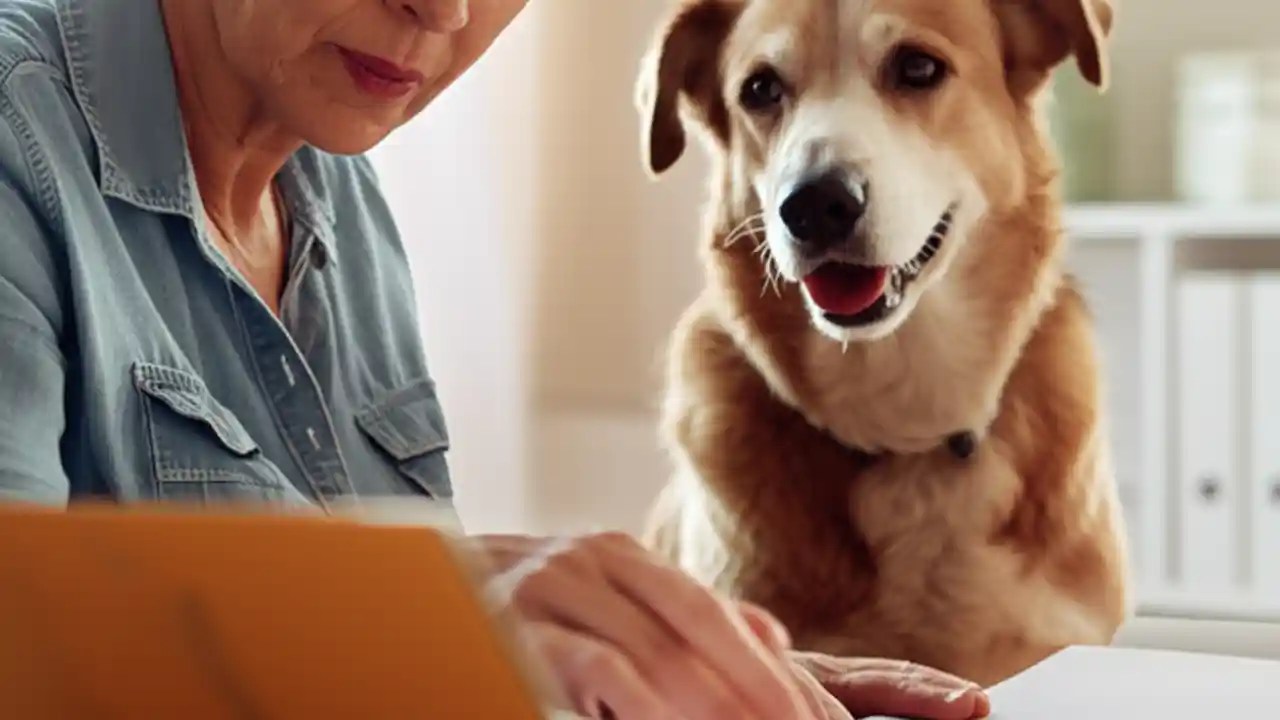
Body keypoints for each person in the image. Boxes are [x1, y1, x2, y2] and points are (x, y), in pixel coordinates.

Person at [0, 0, 991, 717]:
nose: (443, 11)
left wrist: (683, 671)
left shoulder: (334, 189)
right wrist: (418, 614)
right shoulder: (17, 138)